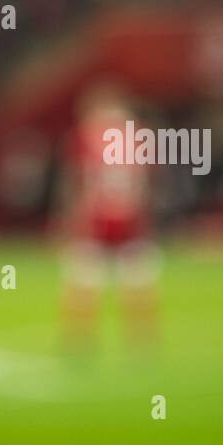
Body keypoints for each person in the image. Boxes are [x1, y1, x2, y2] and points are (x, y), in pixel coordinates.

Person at [57, 84, 159, 351]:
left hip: (96, 218)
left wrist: (69, 217)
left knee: (84, 279)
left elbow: (78, 180)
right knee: (136, 278)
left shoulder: (88, 135)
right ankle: (141, 340)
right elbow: (143, 182)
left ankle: (79, 340)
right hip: (130, 217)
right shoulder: (134, 135)